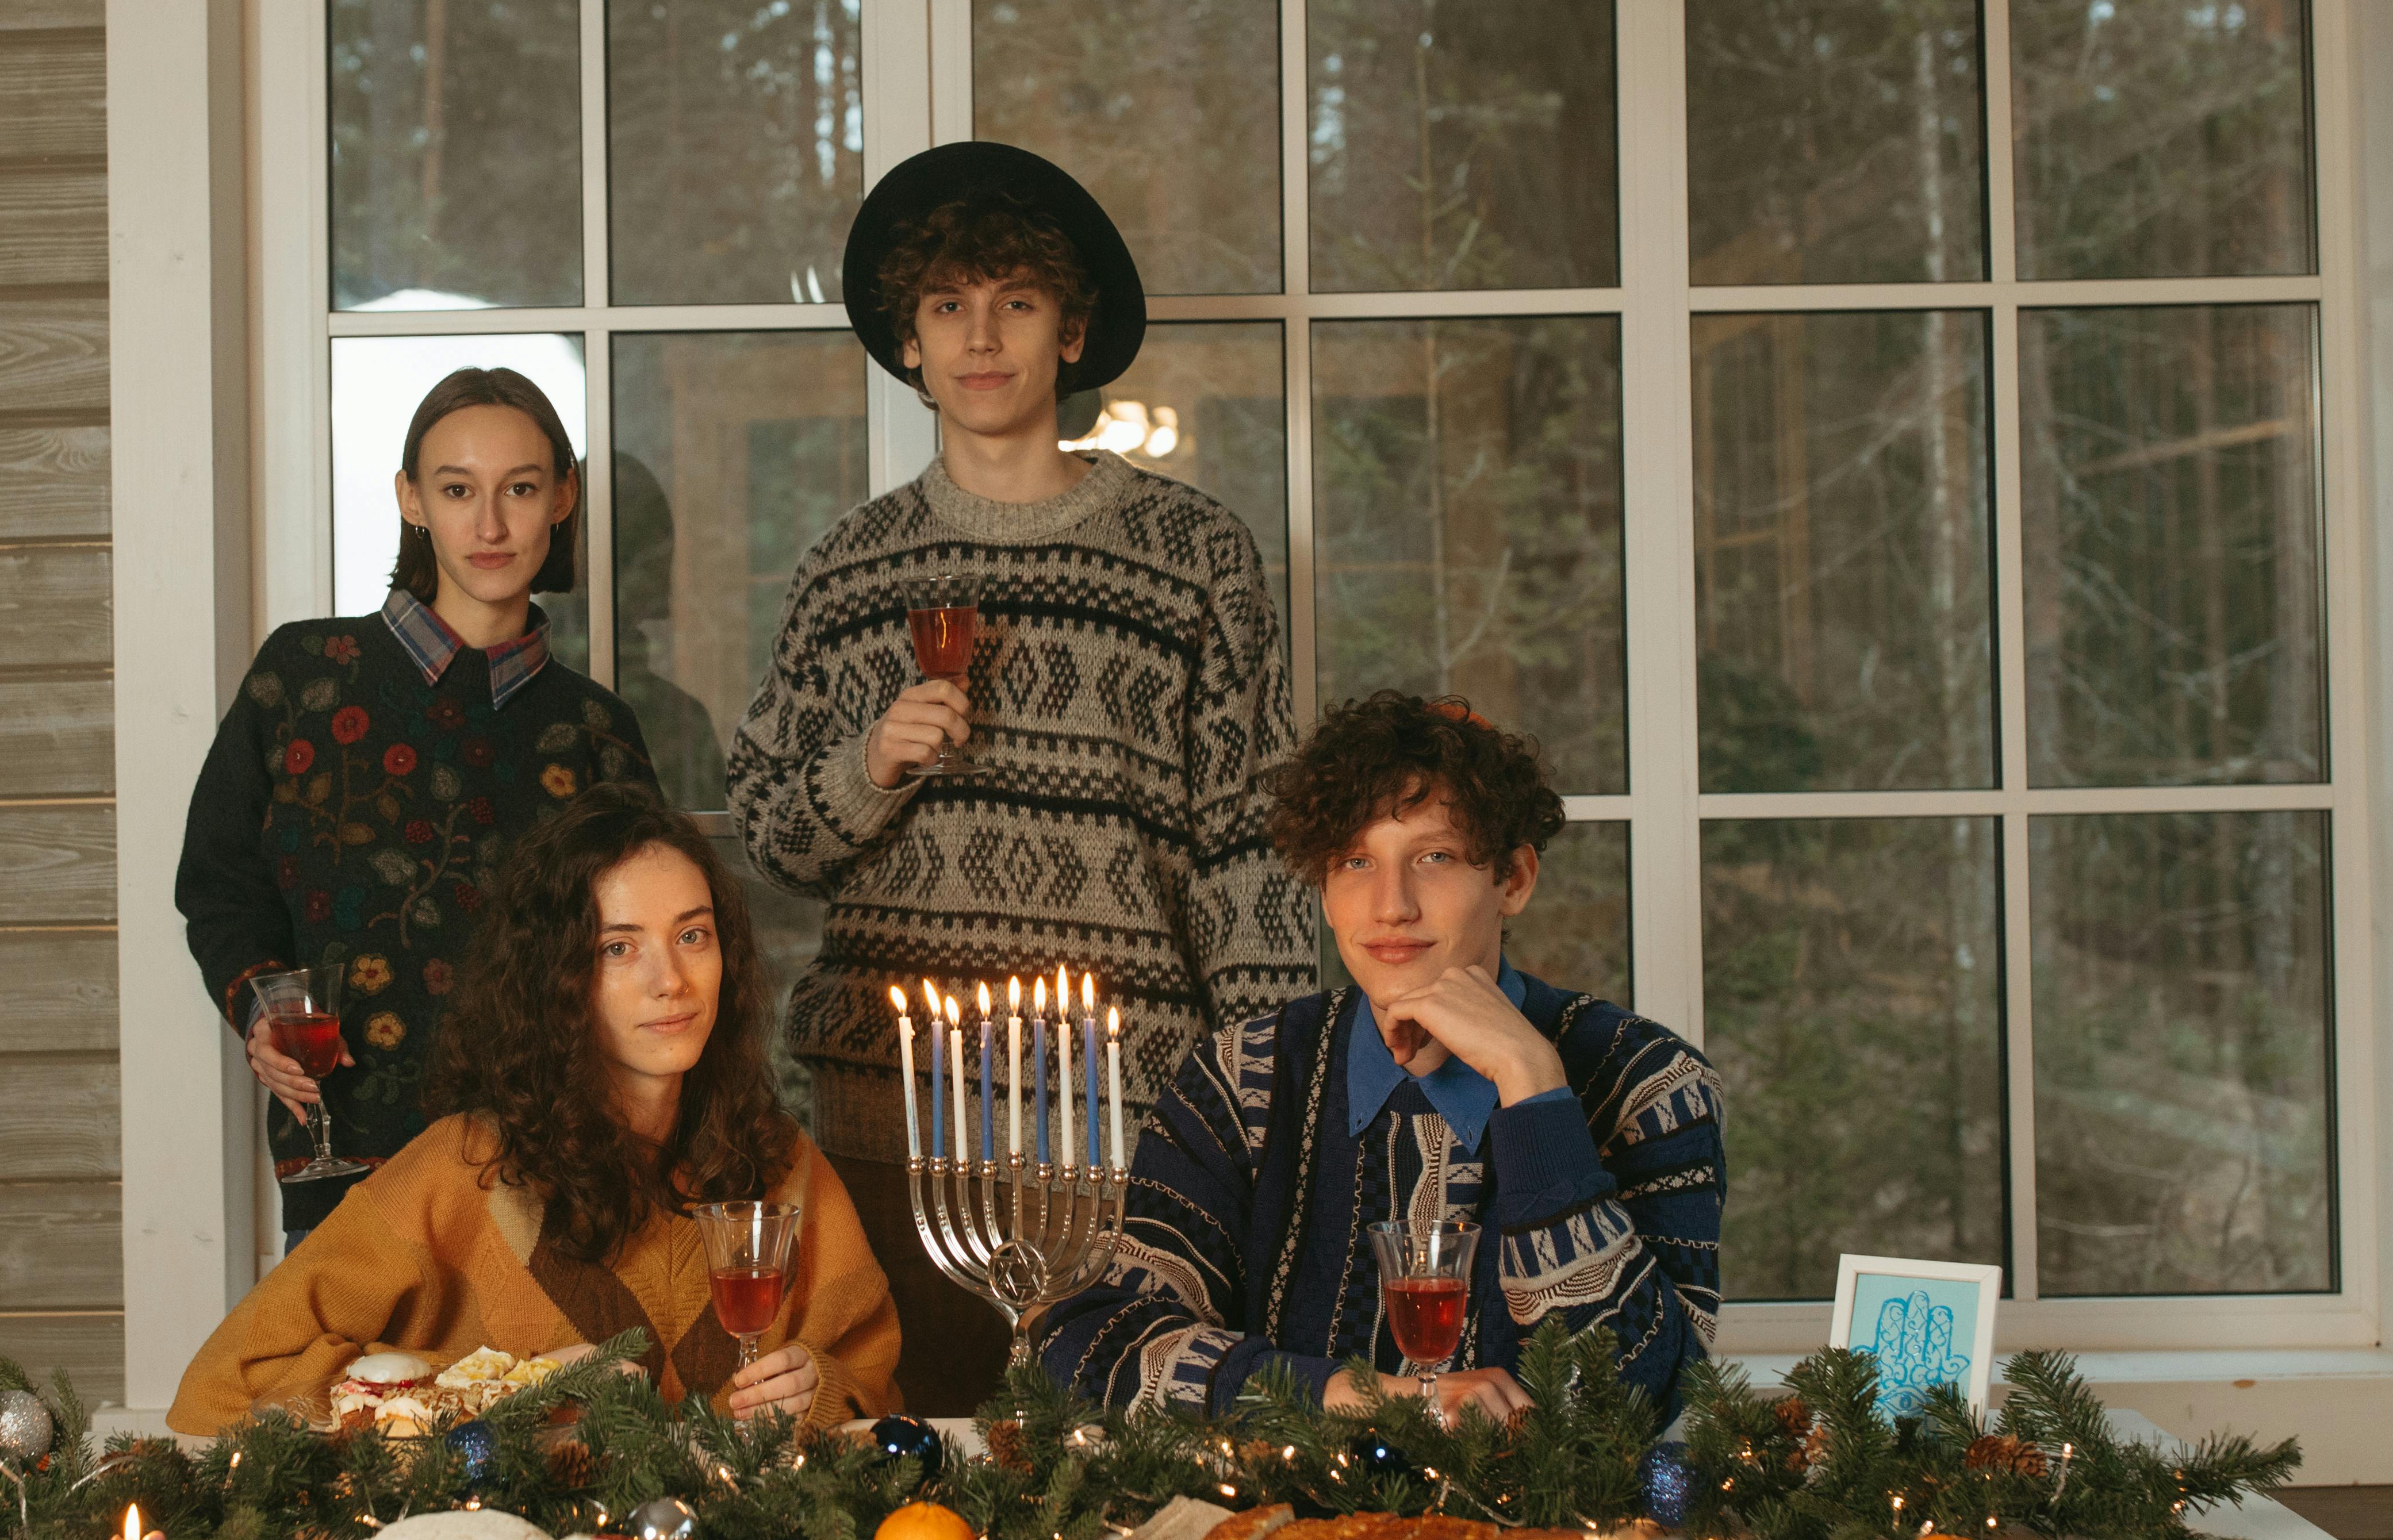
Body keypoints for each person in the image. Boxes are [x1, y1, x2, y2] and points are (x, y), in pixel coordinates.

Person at [728, 141, 1316, 1414]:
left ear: (1072, 330)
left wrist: (1264, 1114)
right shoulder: (849, 569)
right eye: (947, 306)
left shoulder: (1193, 554)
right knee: (902, 1486)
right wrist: (866, 768)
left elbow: (1248, 845)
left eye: (1016, 302)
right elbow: (768, 835)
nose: (979, 337)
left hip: (1126, 1121)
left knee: (1124, 1495)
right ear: (910, 342)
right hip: (891, 1123)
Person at [1037, 690, 1723, 1419]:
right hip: (1284, 1528)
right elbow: (1092, 1342)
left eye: (1435, 856)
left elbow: (1631, 1401)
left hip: (1540, 1533)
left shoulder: (1649, 1080)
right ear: (1326, 895)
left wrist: (1536, 1093)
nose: (1392, 905)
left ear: (1513, 880)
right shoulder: (1243, 1078)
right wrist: (1360, 1397)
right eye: (1356, 862)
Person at [167, 781, 901, 1434]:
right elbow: (226, 1384)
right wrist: (501, 1394)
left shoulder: (783, 1166)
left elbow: (877, 1386)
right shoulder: (466, 1170)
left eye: (691, 935)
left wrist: (824, 1391)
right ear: (558, 978)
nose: (670, 979)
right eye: (618, 948)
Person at [176, 367, 653, 1238]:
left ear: (562, 498)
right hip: (345, 1169)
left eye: (520, 488)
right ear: (410, 499)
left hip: (552, 1178)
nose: (490, 524)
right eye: (457, 489)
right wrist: (259, 1008)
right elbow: (218, 883)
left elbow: (642, 953)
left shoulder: (597, 731)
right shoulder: (302, 676)